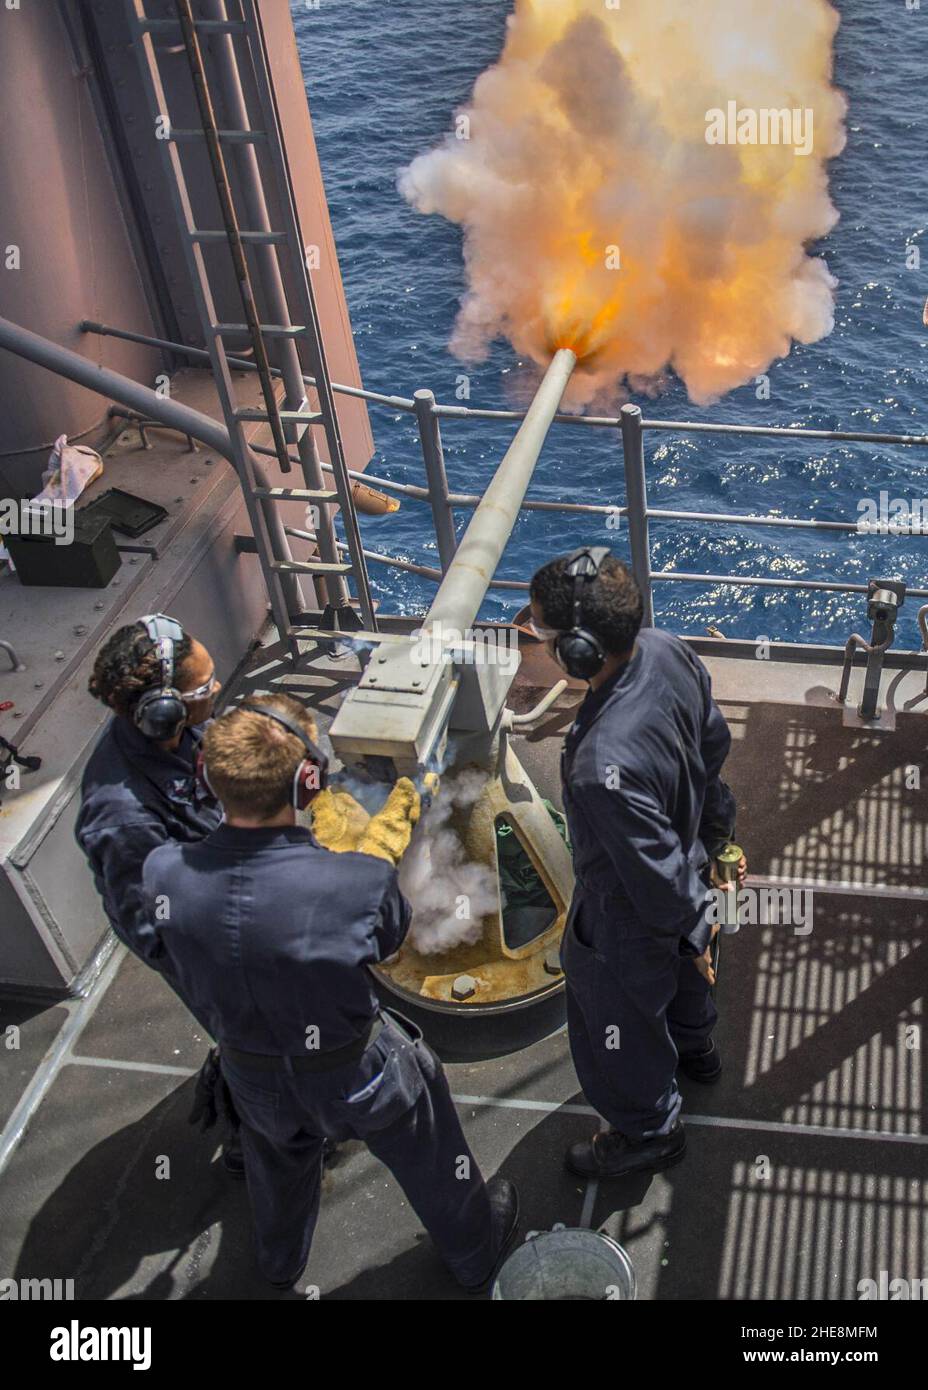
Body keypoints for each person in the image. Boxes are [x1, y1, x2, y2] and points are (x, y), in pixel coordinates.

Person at [141, 693, 518, 1291]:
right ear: (311, 780)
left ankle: (280, 1263)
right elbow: (389, 938)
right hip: (355, 1071)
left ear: (207, 780)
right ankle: (475, 1249)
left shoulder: (164, 873)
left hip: (252, 1073)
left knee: (278, 1168)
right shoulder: (356, 883)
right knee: (429, 1152)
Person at [529, 548, 745, 1180]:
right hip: (693, 861)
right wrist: (713, 847)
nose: (536, 643)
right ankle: (697, 1050)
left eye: (543, 634)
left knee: (614, 1022)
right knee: (684, 974)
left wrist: (695, 926)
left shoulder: (601, 765)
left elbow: (650, 877)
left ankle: (649, 1130)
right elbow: (711, 748)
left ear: (579, 654)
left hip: (630, 913)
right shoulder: (670, 650)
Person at [76, 614, 222, 974]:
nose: (216, 690)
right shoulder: (124, 817)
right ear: (165, 709)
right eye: (205, 687)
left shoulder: (185, 728)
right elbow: (158, 934)